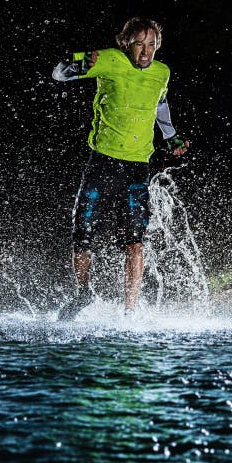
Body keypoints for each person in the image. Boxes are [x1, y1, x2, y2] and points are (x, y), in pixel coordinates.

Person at [52, 17, 189, 321]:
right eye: (140, 43)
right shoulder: (110, 60)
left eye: (152, 44)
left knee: (136, 240)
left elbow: (161, 104)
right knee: (82, 233)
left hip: (137, 168)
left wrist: (170, 137)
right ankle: (83, 293)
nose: (146, 50)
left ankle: (130, 311)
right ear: (126, 43)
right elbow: (59, 73)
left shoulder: (162, 73)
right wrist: (77, 63)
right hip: (101, 162)